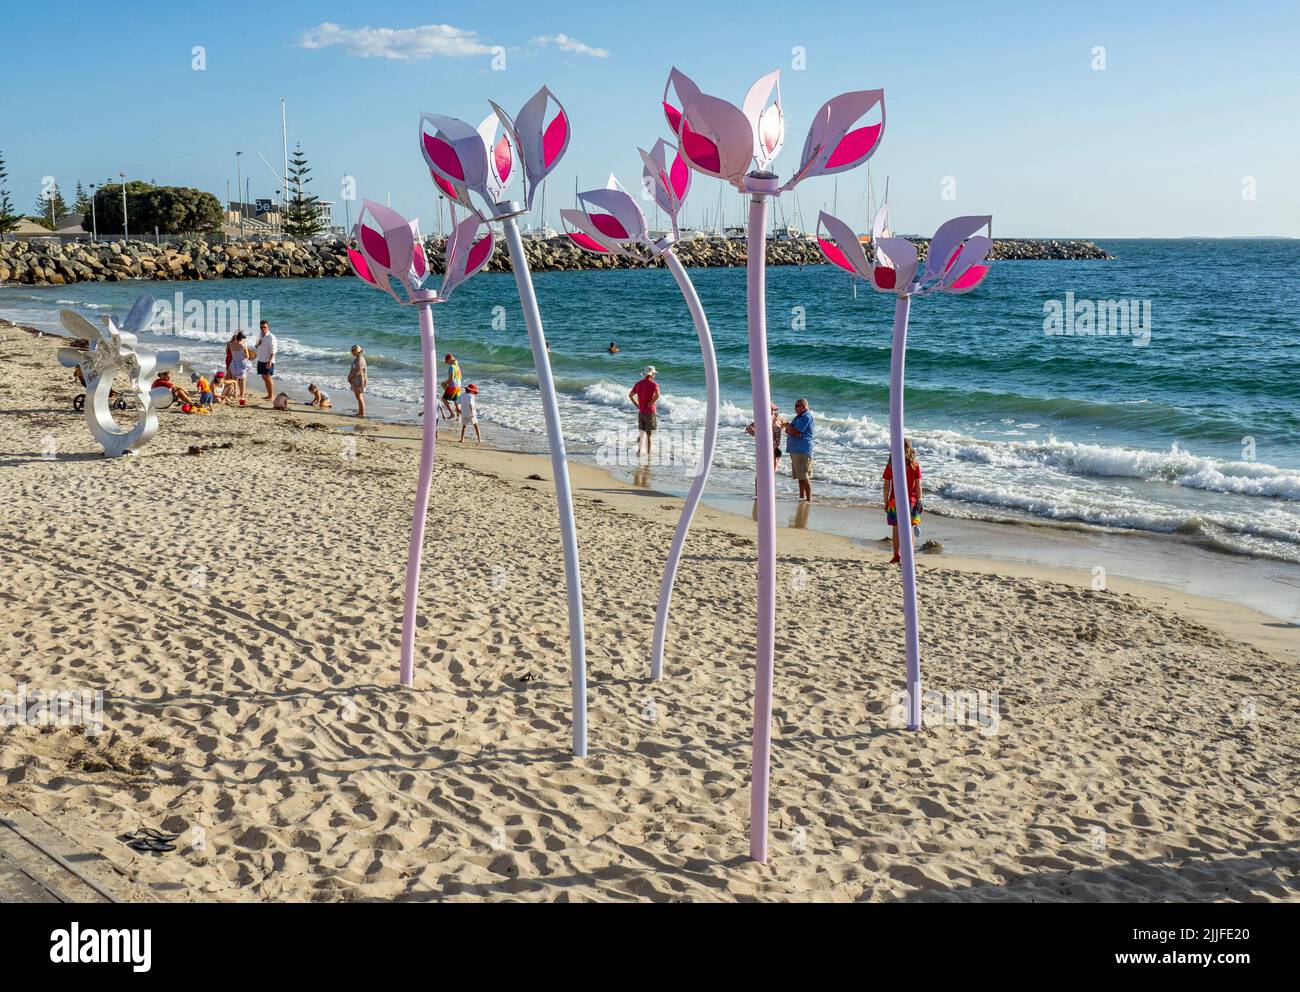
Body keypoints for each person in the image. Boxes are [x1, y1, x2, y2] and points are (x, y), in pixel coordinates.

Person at [883, 438, 923, 565]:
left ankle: (896, 555)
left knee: (896, 528)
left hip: (895, 500)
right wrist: (920, 500)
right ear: (910, 449)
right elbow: (918, 486)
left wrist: (885, 502)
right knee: (909, 528)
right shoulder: (915, 465)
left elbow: (886, 486)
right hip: (911, 501)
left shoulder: (892, 464)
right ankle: (909, 557)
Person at [784, 397, 815, 501]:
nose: (795, 408)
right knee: (800, 476)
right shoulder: (798, 417)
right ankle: (802, 497)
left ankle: (809, 498)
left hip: (803, 450)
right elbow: (789, 431)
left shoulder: (806, 417)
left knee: (804, 476)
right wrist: (789, 428)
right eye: (795, 406)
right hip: (796, 450)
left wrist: (789, 427)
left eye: (797, 406)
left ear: (804, 406)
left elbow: (796, 432)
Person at [629, 366, 660, 458]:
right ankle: (649, 454)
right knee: (649, 435)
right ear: (652, 374)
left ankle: (638, 451)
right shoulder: (654, 384)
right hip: (650, 412)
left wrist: (637, 405)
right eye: (654, 374)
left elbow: (630, 395)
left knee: (641, 433)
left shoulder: (638, 384)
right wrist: (651, 403)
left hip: (641, 412)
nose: (654, 375)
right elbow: (658, 395)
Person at [745, 402, 783, 473]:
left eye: (773, 410)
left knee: (772, 472)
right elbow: (749, 428)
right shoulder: (762, 419)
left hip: (775, 450)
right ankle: (759, 484)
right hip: (765, 449)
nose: (773, 411)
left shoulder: (779, 418)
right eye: (771, 409)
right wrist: (760, 435)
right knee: (763, 472)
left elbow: (788, 427)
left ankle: (765, 484)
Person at [227, 332, 252, 406]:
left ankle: (235, 393)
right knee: (242, 381)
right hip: (241, 363)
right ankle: (242, 396)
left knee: (234, 380)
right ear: (241, 338)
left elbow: (232, 354)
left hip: (234, 363)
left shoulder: (231, 344)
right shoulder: (243, 345)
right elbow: (247, 356)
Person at [255, 320, 277, 400]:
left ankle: (271, 396)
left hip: (268, 360)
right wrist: (258, 344)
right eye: (261, 327)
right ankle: (268, 395)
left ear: (268, 327)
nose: (263, 329)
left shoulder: (271, 337)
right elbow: (256, 346)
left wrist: (270, 361)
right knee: (264, 377)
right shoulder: (259, 335)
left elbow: (273, 350)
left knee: (268, 377)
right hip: (261, 359)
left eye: (265, 327)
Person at [348, 345, 368, 418]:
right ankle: (360, 412)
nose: (351, 352)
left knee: (359, 397)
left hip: (359, 380)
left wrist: (350, 377)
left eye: (353, 350)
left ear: (356, 351)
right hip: (357, 379)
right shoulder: (358, 358)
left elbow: (358, 371)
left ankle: (362, 413)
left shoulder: (360, 359)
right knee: (359, 396)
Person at [440, 353, 462, 420]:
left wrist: (443, 383)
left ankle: (452, 413)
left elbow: (451, 380)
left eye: (447, 362)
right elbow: (460, 377)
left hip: (453, 386)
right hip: (458, 385)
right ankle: (458, 417)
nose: (447, 363)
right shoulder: (458, 367)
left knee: (443, 399)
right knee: (456, 401)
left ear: (449, 360)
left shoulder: (451, 367)